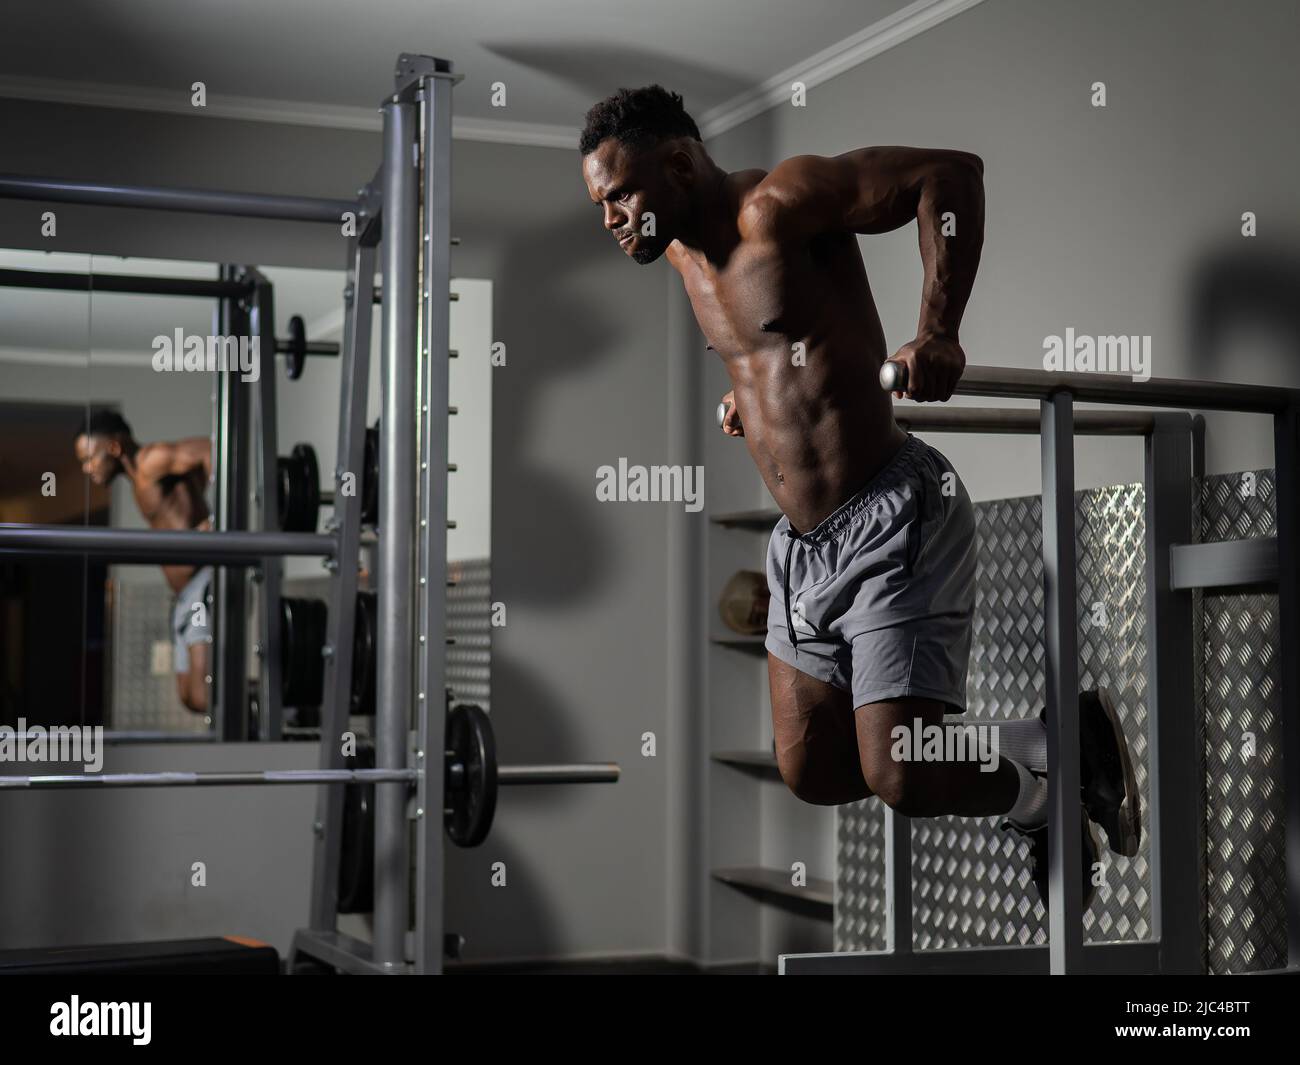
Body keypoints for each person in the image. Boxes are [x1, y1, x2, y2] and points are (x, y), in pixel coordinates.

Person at [580, 86, 1141, 909]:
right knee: (812, 767)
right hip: (802, 545)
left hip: (892, 510)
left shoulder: (780, 202)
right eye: (601, 203)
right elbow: (775, 338)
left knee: (902, 769)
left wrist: (939, 326)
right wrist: (753, 396)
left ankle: (1040, 796)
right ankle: (1053, 746)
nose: (612, 218)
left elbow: (947, 177)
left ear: (677, 163)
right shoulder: (680, 253)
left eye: (621, 193)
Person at [75, 410, 213, 714]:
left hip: (202, 582)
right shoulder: (140, 480)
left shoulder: (152, 460)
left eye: (90, 458)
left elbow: (210, 449)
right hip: (183, 595)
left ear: (113, 447)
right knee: (189, 698)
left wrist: (218, 521)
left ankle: (274, 706)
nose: (87, 469)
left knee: (204, 696)